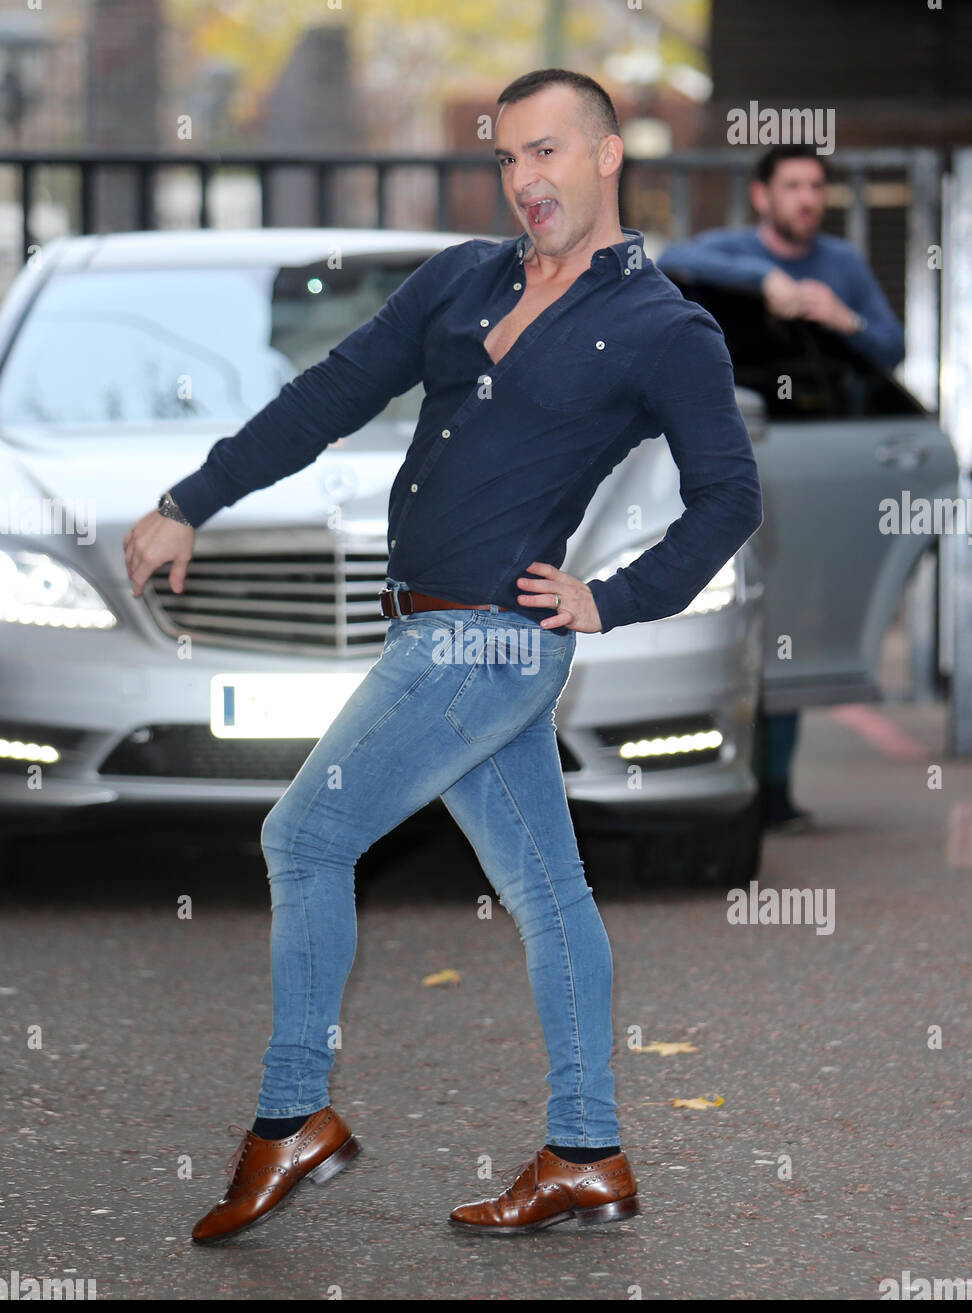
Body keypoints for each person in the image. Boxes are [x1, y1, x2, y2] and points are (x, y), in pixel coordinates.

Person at [124, 68, 762, 1244]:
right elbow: (325, 397)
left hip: (487, 641)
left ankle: (291, 1117)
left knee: (303, 836)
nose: (526, 180)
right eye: (509, 157)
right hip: (429, 627)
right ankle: (586, 1151)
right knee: (549, 890)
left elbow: (729, 498)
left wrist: (611, 600)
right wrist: (189, 500)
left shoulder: (667, 330)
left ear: (610, 156)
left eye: (549, 154)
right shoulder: (460, 280)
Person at [658, 145, 905, 831]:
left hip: (811, 458)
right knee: (721, 609)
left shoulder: (842, 267)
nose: (807, 198)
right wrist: (764, 283)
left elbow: (891, 346)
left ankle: (775, 793)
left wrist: (840, 318)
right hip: (725, 455)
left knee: (793, 620)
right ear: (762, 197)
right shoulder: (729, 251)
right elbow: (676, 259)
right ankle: (711, 776)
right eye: (793, 185)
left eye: (817, 186)